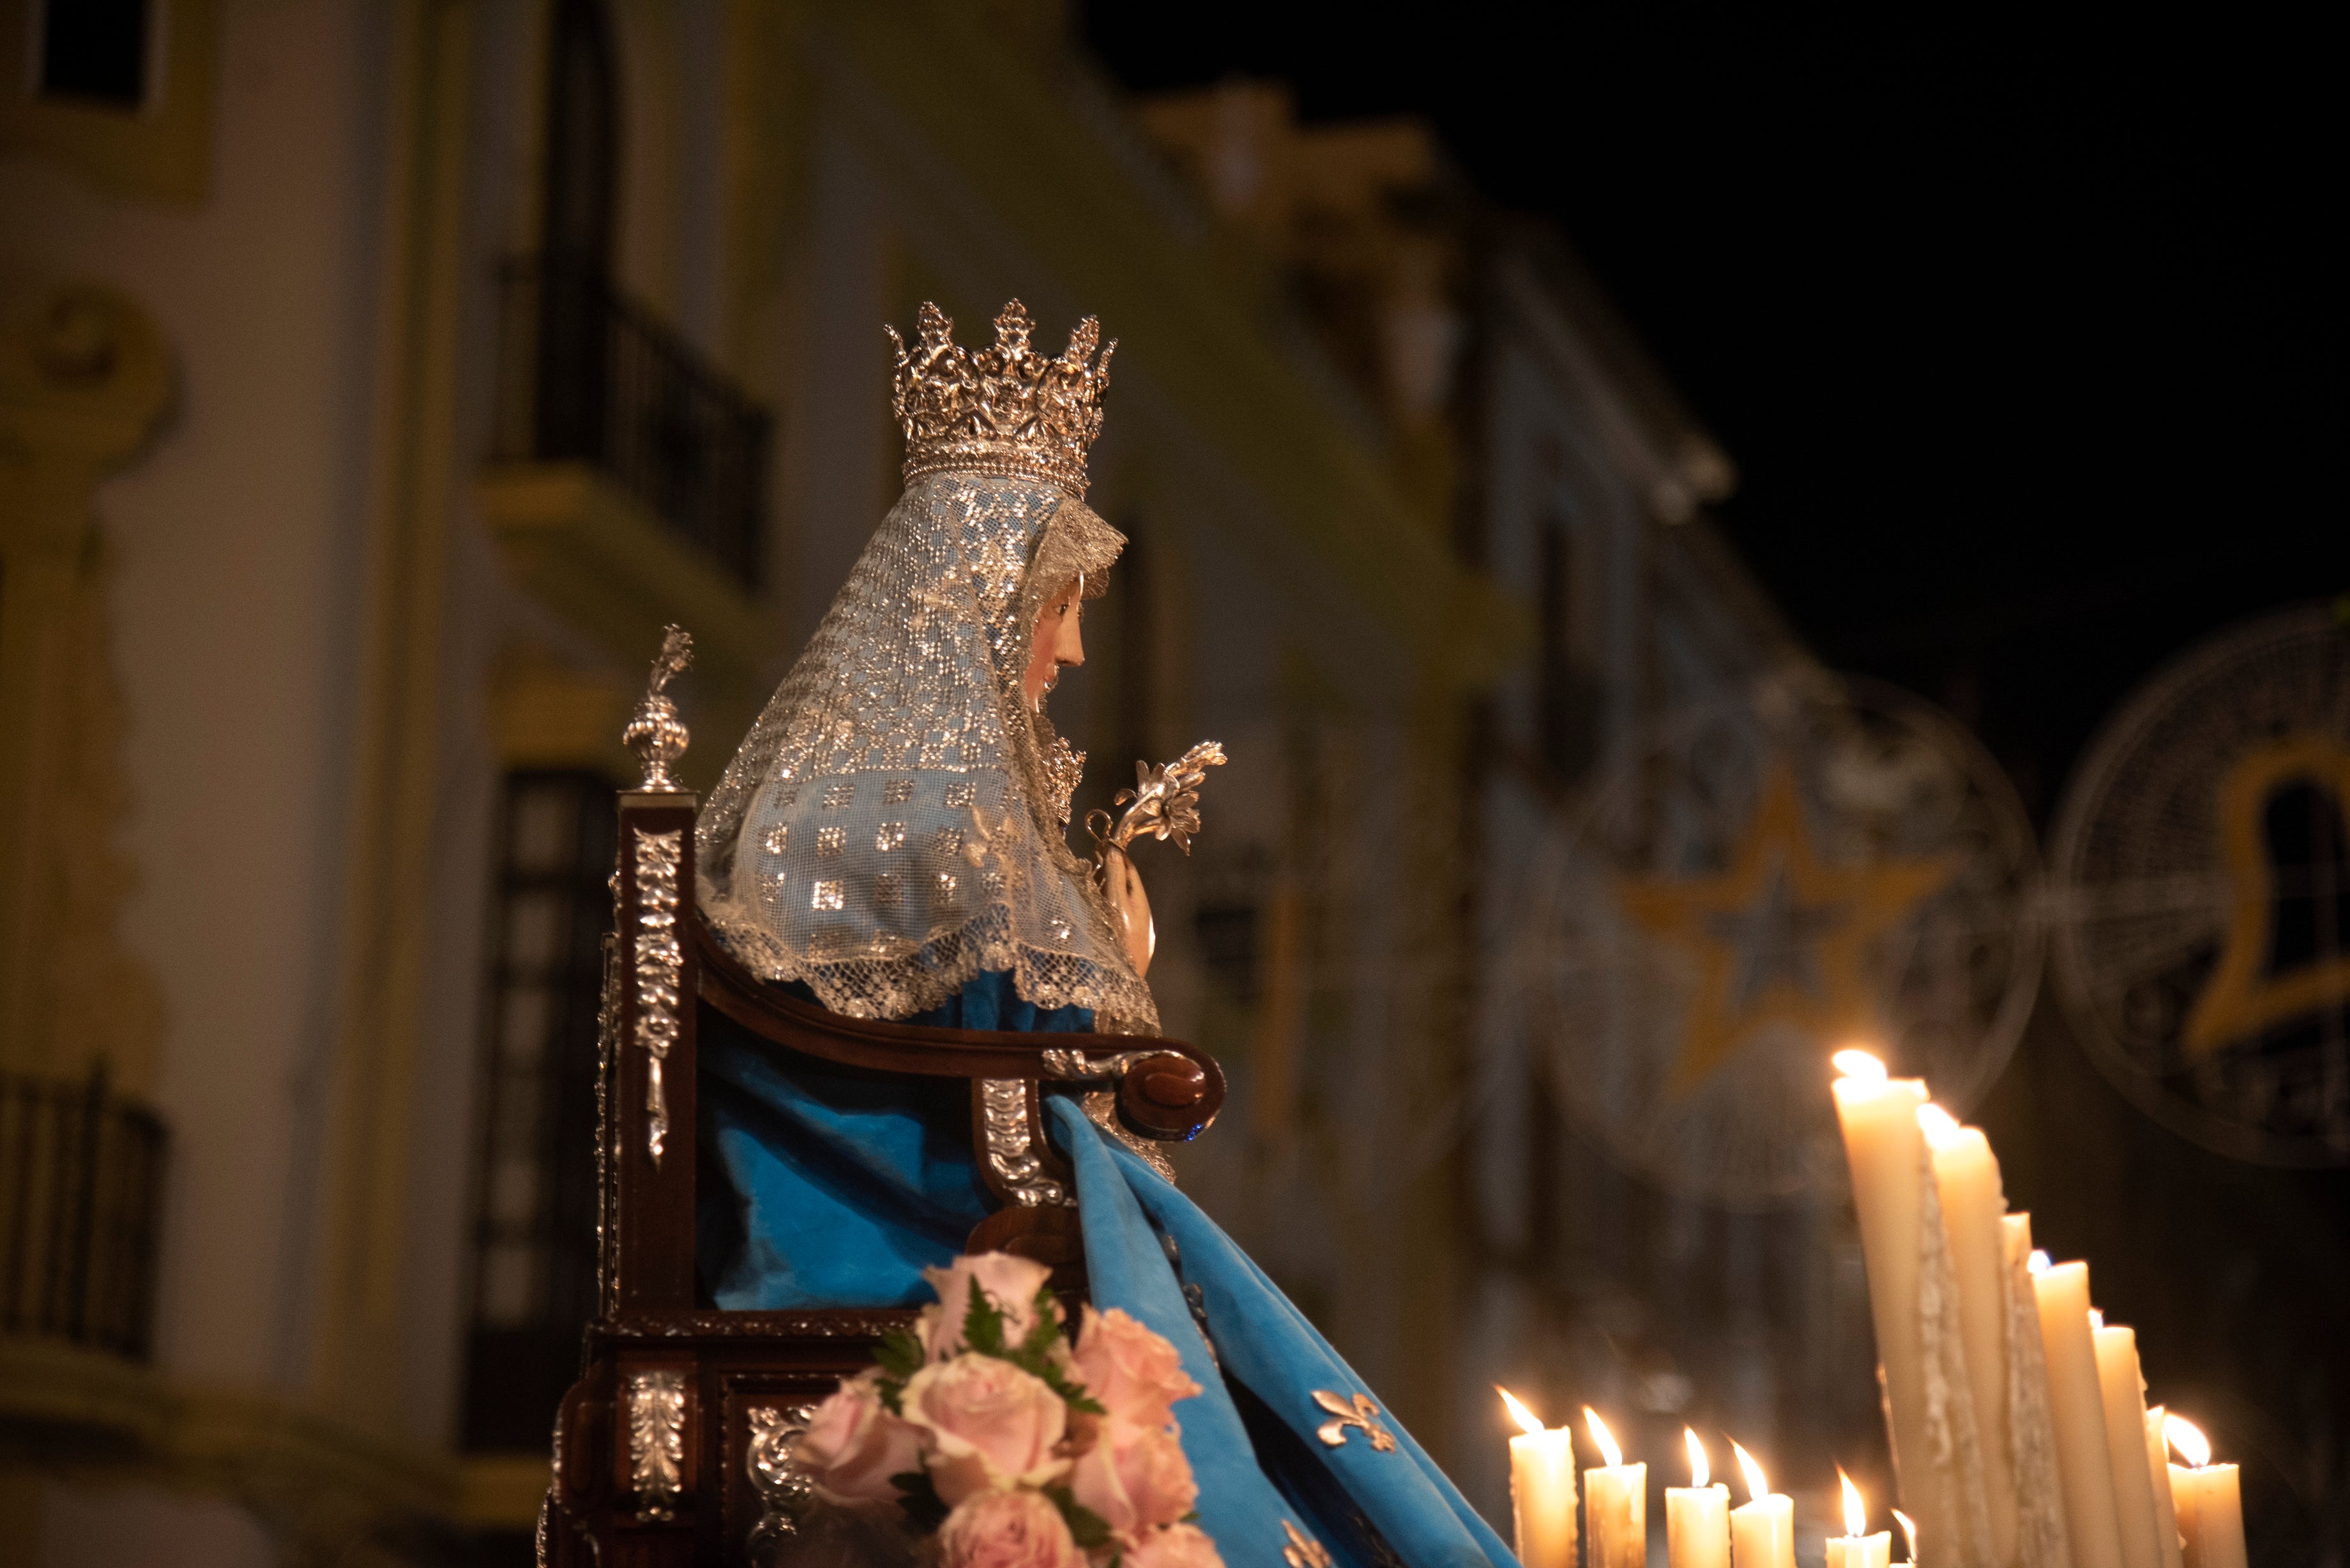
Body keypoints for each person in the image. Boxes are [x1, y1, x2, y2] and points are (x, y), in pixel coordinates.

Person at [694, 301, 1515, 1568]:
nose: (1072, 648)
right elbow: (1032, 1066)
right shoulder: (920, 823)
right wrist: (1116, 999)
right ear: (982, 600)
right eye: (1056, 605)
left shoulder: (866, 806)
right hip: (893, 1243)